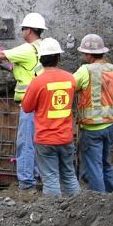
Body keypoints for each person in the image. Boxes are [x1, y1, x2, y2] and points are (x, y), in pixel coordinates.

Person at [0, 12, 46, 190]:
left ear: (28, 30)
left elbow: (1, 54)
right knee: (38, 143)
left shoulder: (27, 49)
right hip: (43, 104)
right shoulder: (44, 47)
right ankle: (38, 178)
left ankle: (26, 183)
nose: (22, 32)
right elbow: (30, 69)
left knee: (26, 143)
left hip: (30, 105)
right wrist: (11, 68)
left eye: (23, 29)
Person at [21, 37, 80, 197]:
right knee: (69, 176)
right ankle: (80, 207)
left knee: (50, 179)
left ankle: (53, 211)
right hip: (66, 137)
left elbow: (26, 107)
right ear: (58, 57)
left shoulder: (37, 82)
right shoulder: (70, 78)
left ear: (40, 59)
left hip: (45, 139)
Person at [73, 34, 113, 193]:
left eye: (84, 53)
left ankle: (99, 200)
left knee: (94, 166)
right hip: (110, 125)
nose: (83, 56)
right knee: (106, 163)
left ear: (89, 54)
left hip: (92, 127)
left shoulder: (85, 70)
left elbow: (70, 86)